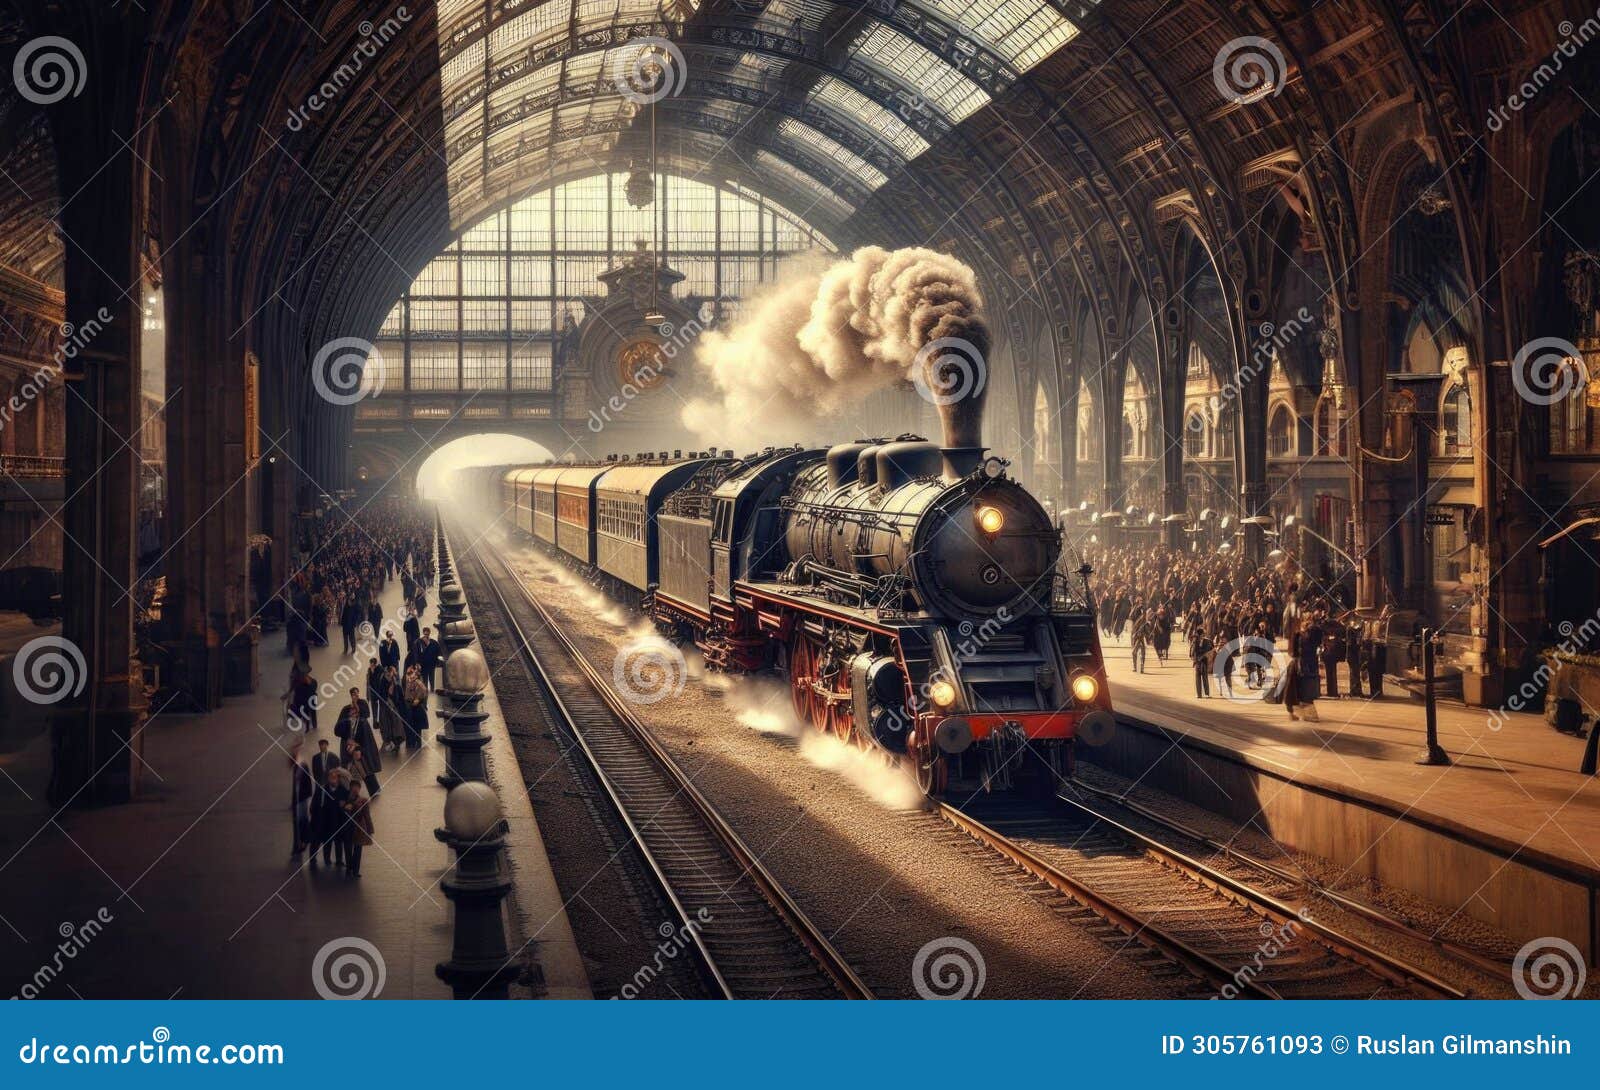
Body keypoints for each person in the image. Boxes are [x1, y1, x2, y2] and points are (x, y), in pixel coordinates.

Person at [311, 767, 350, 868]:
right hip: (325, 821)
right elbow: (314, 805)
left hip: (338, 821)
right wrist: (316, 818)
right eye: (331, 777)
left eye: (335, 777)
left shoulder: (344, 791)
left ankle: (339, 860)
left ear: (338, 778)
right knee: (326, 841)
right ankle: (326, 859)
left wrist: (345, 806)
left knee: (338, 842)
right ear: (328, 778)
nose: (333, 779)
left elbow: (347, 805)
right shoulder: (321, 790)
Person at [344, 781, 375, 878]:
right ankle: (349, 868)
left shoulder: (363, 801)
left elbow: (367, 816)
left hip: (359, 829)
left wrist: (370, 830)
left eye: (357, 787)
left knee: (358, 850)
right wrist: (345, 808)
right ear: (350, 788)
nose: (355, 789)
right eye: (354, 787)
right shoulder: (345, 800)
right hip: (347, 828)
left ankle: (355, 871)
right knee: (348, 850)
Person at [288, 742, 314, 855]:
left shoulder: (303, 766)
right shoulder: (296, 767)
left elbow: (308, 785)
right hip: (298, 800)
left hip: (302, 800)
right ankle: (298, 845)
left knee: (302, 821)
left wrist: (306, 799)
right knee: (298, 823)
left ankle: (304, 841)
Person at [1322, 619, 1345, 699]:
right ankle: (1333, 691)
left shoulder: (1325, 628)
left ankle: (1331, 691)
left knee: (1330, 672)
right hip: (1332, 652)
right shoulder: (1337, 628)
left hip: (1328, 652)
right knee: (1332, 672)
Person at [1190, 630, 1213, 698]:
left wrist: (1201, 654)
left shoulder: (1207, 641)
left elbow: (1208, 649)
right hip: (1197, 661)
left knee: (1205, 677)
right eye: (1202, 634)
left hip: (1204, 661)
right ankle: (1199, 694)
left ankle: (1207, 693)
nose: (1203, 635)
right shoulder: (1195, 642)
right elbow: (1192, 652)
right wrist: (1195, 659)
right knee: (1198, 678)